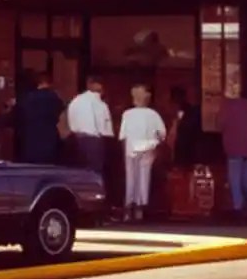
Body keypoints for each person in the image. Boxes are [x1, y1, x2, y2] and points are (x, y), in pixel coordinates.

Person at [119, 85, 166, 223]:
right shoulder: (153, 114)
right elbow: (162, 134)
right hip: (148, 147)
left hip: (131, 148)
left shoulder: (127, 114)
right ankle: (140, 207)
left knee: (130, 177)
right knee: (144, 177)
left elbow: (123, 136)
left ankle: (128, 206)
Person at [218, 93, 247, 221]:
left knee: (235, 180)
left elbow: (220, 124)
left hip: (233, 148)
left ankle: (238, 208)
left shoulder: (226, 106)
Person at [9, 72, 64, 164]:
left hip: (30, 141)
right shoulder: (56, 99)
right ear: (50, 83)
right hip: (50, 141)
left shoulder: (26, 99)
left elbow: (16, 118)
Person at [67, 77, 113, 177]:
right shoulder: (100, 103)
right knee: (95, 171)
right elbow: (105, 127)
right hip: (94, 140)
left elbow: (71, 119)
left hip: (77, 138)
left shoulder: (76, 100)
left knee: (80, 170)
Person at [170, 86, 202, 166]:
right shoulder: (187, 108)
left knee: (183, 161)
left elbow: (179, 121)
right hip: (187, 139)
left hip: (184, 139)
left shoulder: (184, 108)